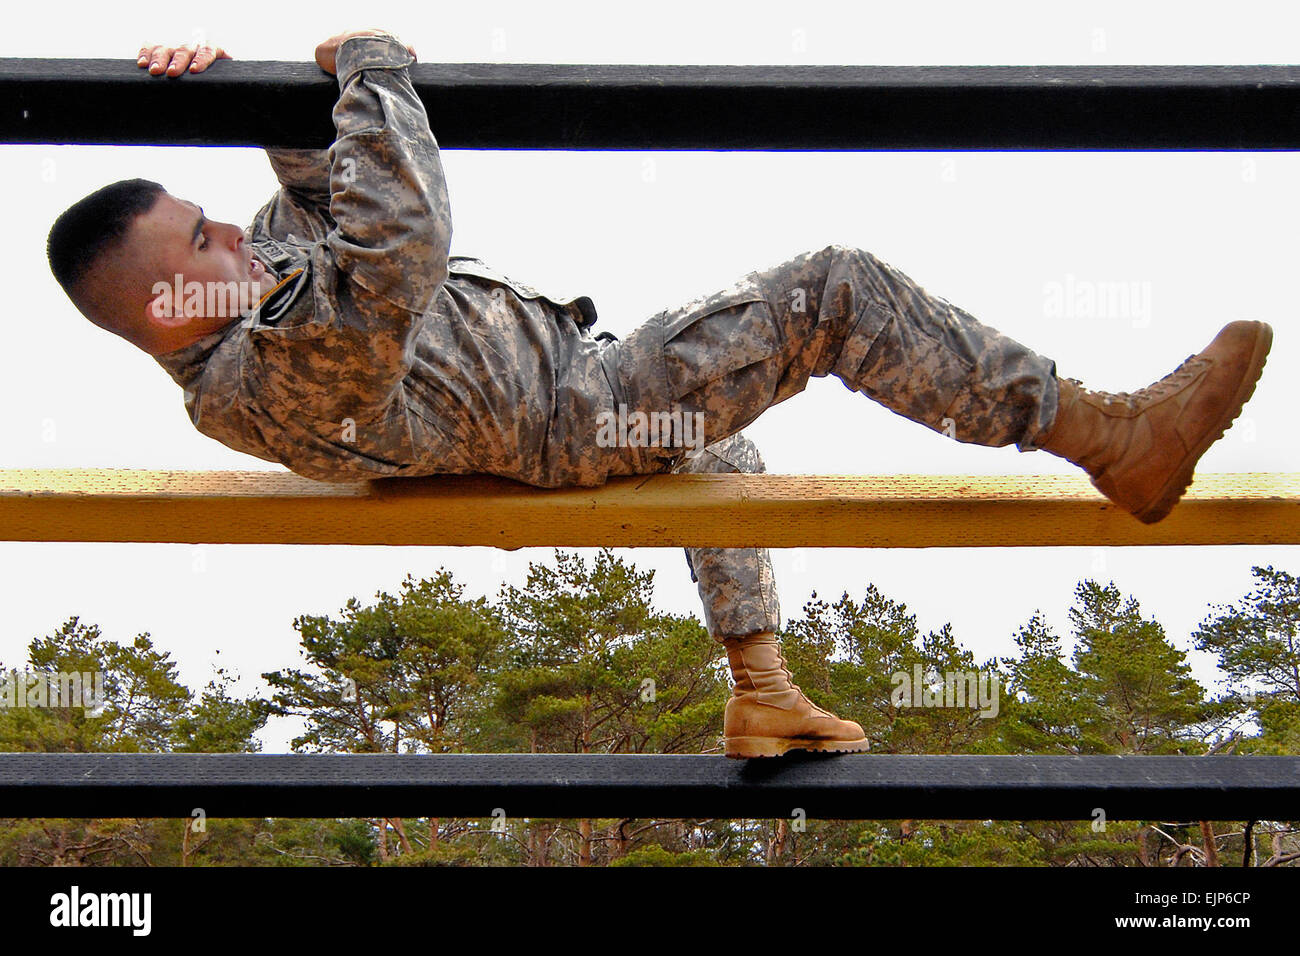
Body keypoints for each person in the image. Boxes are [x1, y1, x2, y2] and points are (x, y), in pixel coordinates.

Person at [45, 30, 1272, 759]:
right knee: (827, 293)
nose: (231, 239)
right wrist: (369, 63)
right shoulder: (266, 368)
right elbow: (398, 233)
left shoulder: (253, 308)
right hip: (579, 412)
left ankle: (761, 691)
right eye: (199, 241)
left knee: (717, 465)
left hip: (577, 394)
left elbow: (313, 206)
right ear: (167, 308)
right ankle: (1109, 433)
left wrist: (223, 84)